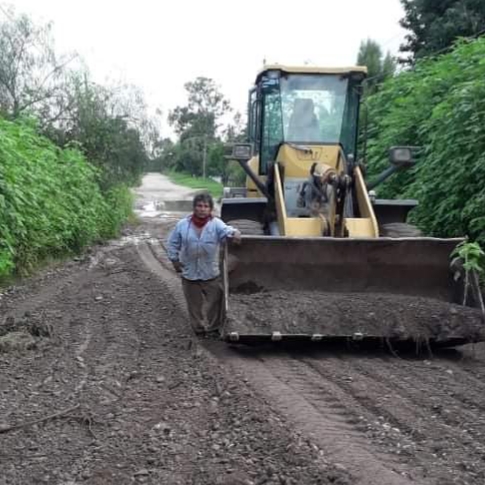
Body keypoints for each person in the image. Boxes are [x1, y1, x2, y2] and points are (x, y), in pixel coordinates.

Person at [167, 192, 241, 337]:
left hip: (210, 273)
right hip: (190, 273)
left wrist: (235, 233)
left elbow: (227, 231)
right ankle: (199, 330)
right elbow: (172, 243)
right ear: (194, 208)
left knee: (215, 302)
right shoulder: (182, 225)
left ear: (210, 209)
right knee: (194, 305)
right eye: (199, 206)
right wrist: (174, 260)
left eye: (206, 206)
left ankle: (213, 329)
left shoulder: (216, 224)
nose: (202, 209)